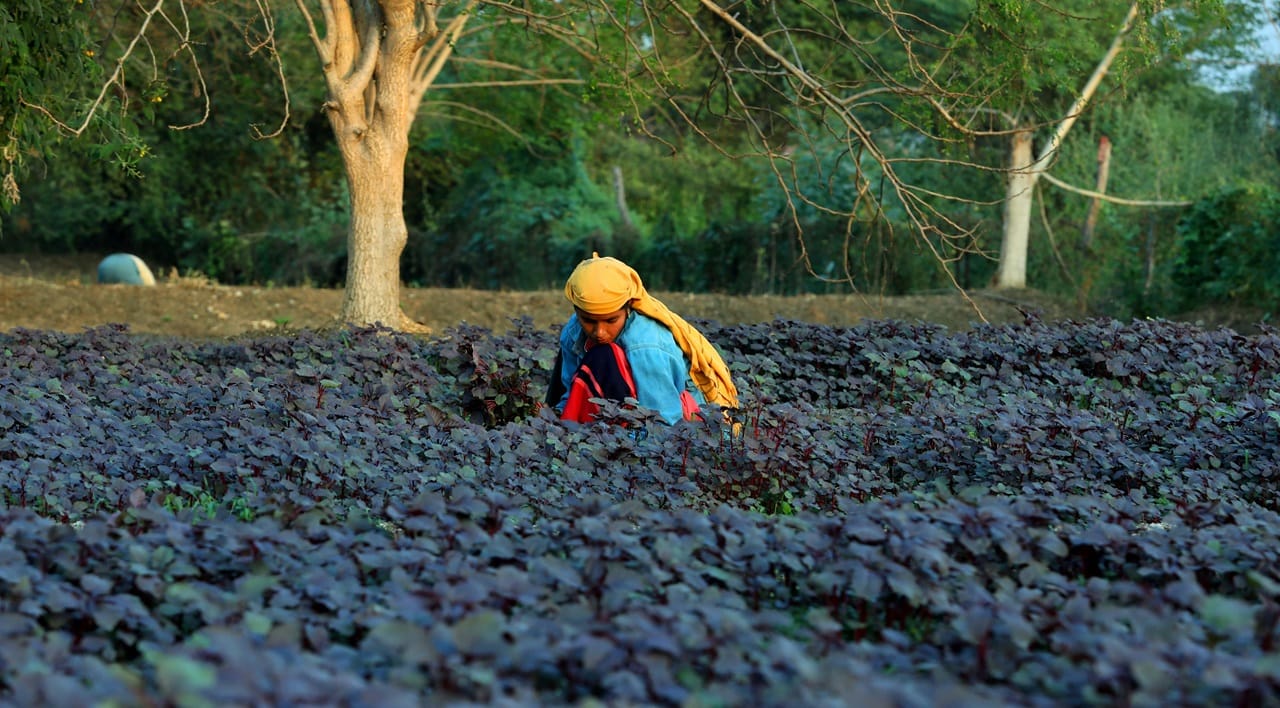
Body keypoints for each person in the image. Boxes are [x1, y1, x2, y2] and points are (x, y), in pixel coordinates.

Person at [549, 252, 738, 424]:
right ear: (577, 311)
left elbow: (665, 420)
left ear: (629, 306)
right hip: (628, 410)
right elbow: (572, 394)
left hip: (690, 422)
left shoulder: (645, 347)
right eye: (588, 320)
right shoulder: (573, 333)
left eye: (611, 320)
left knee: (603, 356)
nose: (599, 332)